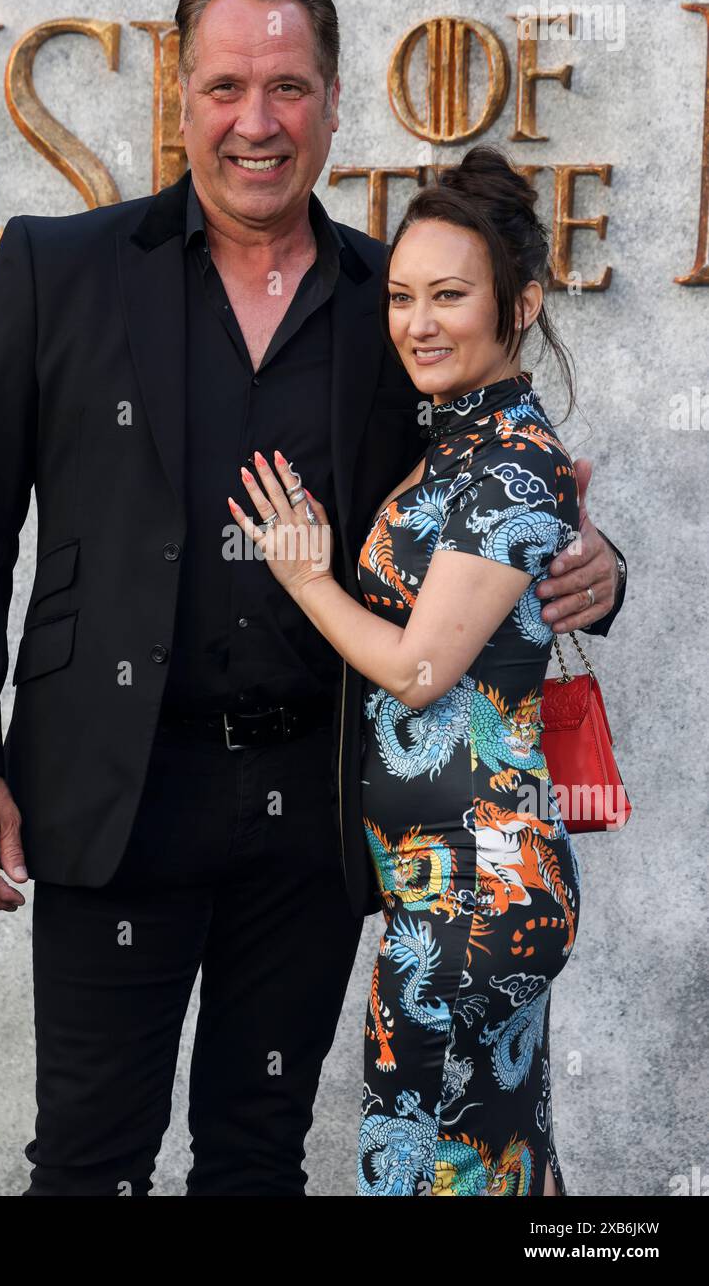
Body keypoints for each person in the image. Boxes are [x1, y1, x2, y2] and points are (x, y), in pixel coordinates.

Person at [0, 0, 625, 1197]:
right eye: (227, 84)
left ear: (333, 102)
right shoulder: (56, 267)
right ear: (181, 97)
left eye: (287, 86)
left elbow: (480, 494)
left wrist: (594, 568)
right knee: (87, 1163)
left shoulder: (388, 303)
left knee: (257, 1160)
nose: (257, 120)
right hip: (107, 797)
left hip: (311, 807)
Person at [228, 145, 599, 1196]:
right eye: (399, 296)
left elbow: (418, 667)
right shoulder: (458, 450)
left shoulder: (509, 461)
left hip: (475, 885)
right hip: (446, 881)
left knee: (427, 1166)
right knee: (492, 1165)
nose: (417, 322)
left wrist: (304, 577)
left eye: (448, 295)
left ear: (518, 302)